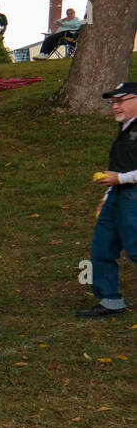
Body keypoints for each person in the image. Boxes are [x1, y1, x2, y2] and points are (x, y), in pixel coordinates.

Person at [78, 81, 137, 317]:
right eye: (113, 102)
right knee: (101, 247)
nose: (114, 106)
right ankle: (110, 300)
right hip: (118, 196)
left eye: (120, 101)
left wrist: (120, 180)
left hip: (133, 196)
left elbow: (120, 174)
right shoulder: (126, 127)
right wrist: (107, 194)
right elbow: (117, 167)